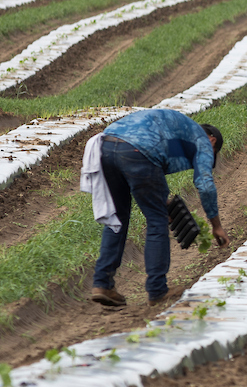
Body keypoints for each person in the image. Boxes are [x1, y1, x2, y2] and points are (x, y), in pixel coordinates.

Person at [87, 109, 229, 307]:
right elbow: (205, 185)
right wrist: (216, 226)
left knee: (116, 218)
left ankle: (102, 284)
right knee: (157, 220)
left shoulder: (178, 130)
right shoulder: (203, 141)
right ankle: (157, 290)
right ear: (212, 140)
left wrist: (159, 200)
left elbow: (148, 174)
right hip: (137, 150)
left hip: (106, 146)